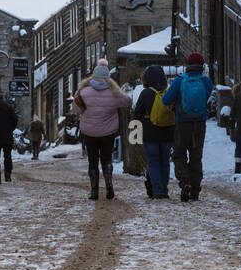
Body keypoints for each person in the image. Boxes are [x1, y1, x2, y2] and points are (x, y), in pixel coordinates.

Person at [72, 59, 128, 200]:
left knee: (93, 161)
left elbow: (76, 110)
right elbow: (128, 101)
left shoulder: (83, 92)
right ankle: (109, 185)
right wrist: (118, 91)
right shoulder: (114, 93)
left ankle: (94, 191)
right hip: (108, 133)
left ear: (93, 76)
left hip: (89, 133)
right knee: (106, 158)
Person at [163, 52, 213, 201]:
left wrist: (175, 104)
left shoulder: (179, 80)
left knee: (179, 154)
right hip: (199, 123)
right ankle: (195, 190)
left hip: (182, 123)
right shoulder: (206, 81)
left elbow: (166, 99)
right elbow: (206, 98)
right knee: (196, 156)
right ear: (202, 65)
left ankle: (185, 183)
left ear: (188, 65)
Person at [133, 65, 174, 199]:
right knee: (165, 162)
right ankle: (165, 189)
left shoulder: (146, 93)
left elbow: (136, 114)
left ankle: (158, 190)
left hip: (150, 135)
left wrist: (135, 135)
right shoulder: (169, 91)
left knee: (154, 162)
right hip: (167, 133)